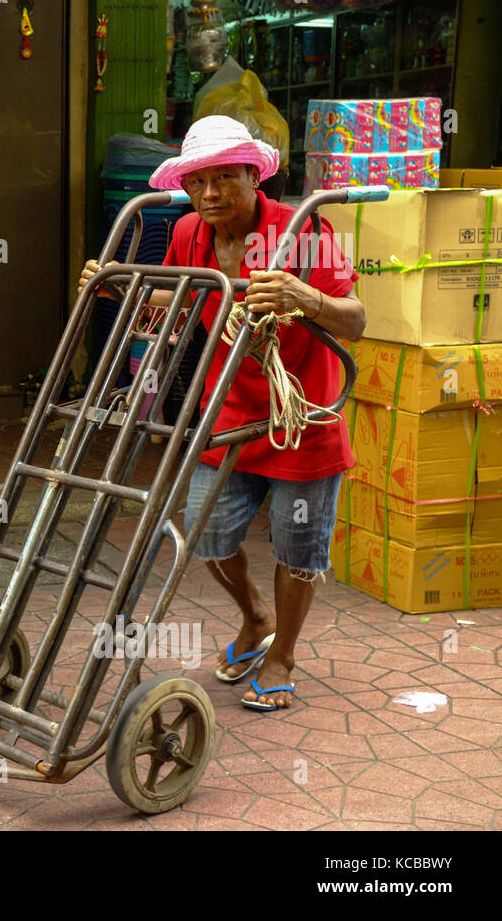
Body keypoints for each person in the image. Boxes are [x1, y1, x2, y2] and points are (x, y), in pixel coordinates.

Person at [79, 115, 365, 712]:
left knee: (297, 547)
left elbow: (355, 319)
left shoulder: (302, 231)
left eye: (224, 179)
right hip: (229, 412)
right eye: (198, 181)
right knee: (208, 538)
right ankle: (255, 615)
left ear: (253, 176)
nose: (210, 194)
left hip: (300, 418)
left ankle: (283, 654)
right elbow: (188, 296)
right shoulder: (188, 232)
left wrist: (303, 296)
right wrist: (119, 287)